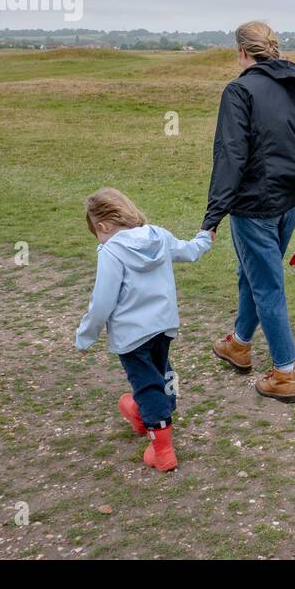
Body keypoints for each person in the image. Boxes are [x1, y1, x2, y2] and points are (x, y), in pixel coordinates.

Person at [203, 21, 295, 403]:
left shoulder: (239, 90)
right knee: (254, 274)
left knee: (266, 284)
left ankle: (285, 372)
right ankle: (240, 344)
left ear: (243, 52)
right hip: (290, 201)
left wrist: (212, 217)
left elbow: (230, 156)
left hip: (255, 206)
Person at [75, 187, 213, 472]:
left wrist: (86, 335)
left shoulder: (111, 252)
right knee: (162, 373)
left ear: (102, 226)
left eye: (96, 233)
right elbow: (188, 252)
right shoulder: (158, 236)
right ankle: (144, 413)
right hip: (163, 325)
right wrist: (203, 238)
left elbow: (102, 301)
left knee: (147, 383)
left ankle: (162, 450)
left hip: (131, 333)